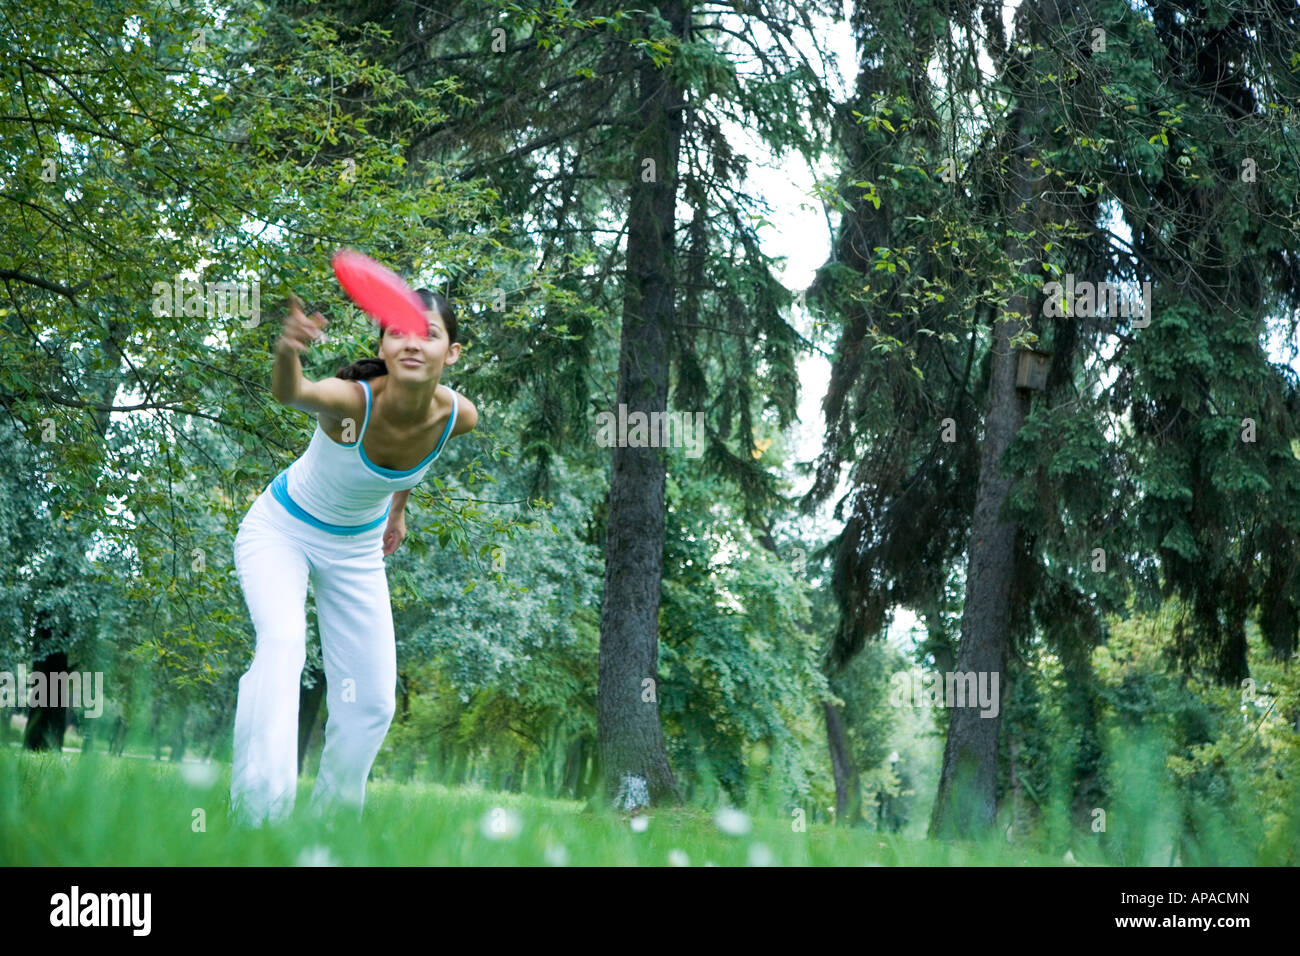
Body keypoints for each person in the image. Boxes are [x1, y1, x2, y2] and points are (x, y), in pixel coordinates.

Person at [229, 288, 477, 828]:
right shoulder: (353, 401)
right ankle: (256, 826)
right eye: (398, 331)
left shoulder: (459, 416)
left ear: (451, 352)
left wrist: (398, 512)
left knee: (370, 703)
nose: (412, 343)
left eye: (428, 334)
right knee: (283, 649)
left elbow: (415, 461)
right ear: (383, 346)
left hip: (359, 548)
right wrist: (287, 350)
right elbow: (292, 393)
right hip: (282, 531)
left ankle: (330, 835)